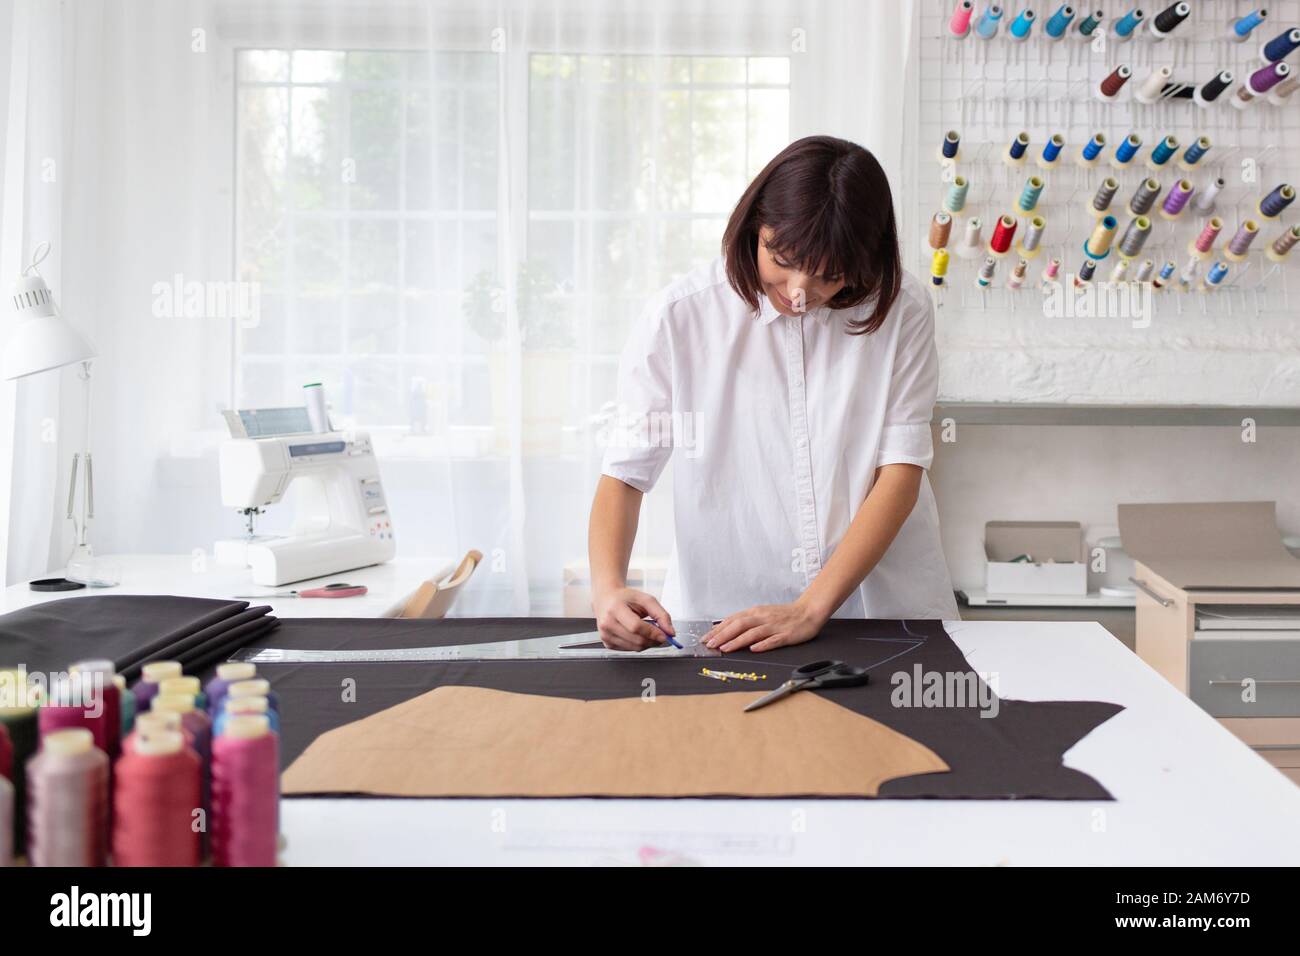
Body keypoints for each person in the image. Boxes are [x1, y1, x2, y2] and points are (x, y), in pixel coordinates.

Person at [588, 135, 958, 654]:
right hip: (724, 618)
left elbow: (900, 473)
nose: (800, 290)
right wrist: (607, 589)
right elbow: (625, 473)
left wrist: (812, 607)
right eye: (781, 258)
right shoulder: (680, 318)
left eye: (830, 277)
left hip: (879, 611)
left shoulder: (903, 309)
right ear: (753, 224)